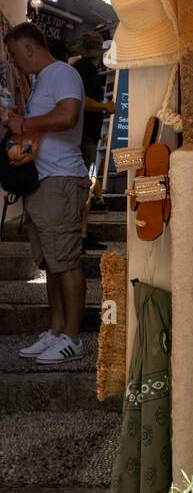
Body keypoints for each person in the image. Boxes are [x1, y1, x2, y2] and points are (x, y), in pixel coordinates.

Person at [3, 21, 89, 364]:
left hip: (62, 182)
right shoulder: (40, 83)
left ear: (28, 47)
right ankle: (55, 330)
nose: (13, 61)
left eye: (13, 54)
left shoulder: (62, 75)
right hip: (44, 180)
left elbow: (68, 116)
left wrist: (26, 124)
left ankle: (72, 337)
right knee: (51, 262)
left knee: (65, 261)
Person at [70, 31, 115, 250]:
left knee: (84, 183)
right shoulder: (86, 70)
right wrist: (106, 106)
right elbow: (84, 101)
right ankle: (80, 234)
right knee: (83, 184)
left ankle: (81, 232)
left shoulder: (80, 68)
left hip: (82, 134)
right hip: (85, 135)